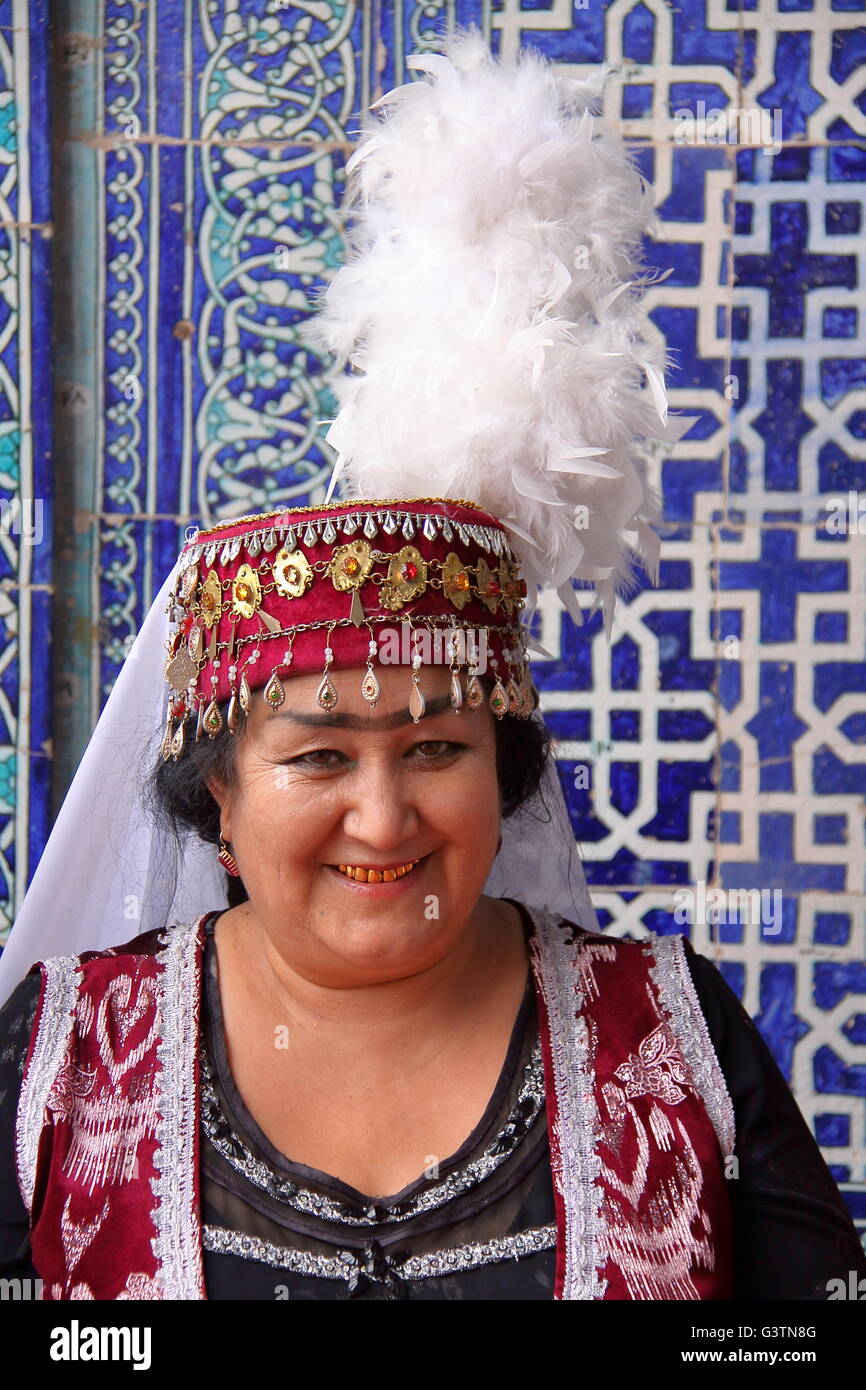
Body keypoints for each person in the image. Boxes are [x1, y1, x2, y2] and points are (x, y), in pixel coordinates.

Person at [1, 30, 864, 1302]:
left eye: (436, 747)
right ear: (219, 800)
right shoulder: (67, 1058)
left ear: (503, 772)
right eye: (315, 755)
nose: (383, 812)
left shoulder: (668, 1035)